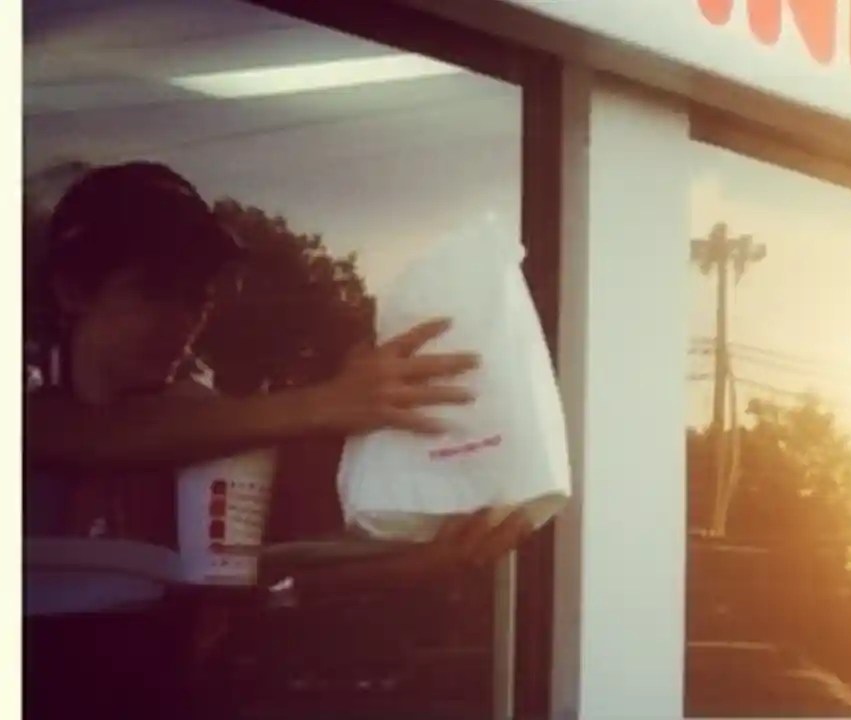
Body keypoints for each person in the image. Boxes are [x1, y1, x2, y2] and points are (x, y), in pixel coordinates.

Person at [22, 162, 527, 718]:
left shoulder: (211, 425)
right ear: (72, 290)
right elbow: (73, 435)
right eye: (156, 290)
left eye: (198, 298)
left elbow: (262, 571)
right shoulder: (41, 410)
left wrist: (427, 559)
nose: (183, 320)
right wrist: (326, 403)